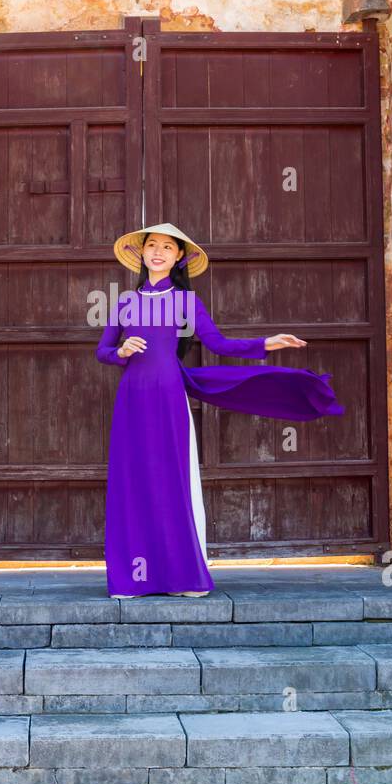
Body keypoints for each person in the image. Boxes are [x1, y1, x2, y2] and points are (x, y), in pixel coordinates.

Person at [95, 223, 346, 599]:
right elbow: (102, 351)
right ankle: (134, 579)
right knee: (132, 481)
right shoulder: (125, 302)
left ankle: (181, 576)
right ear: (142, 253)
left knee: (172, 480)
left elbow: (220, 343)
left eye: (167, 247)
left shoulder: (184, 302)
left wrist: (266, 342)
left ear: (179, 257)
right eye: (152, 245)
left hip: (169, 396)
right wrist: (121, 353)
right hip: (132, 397)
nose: (159, 252)